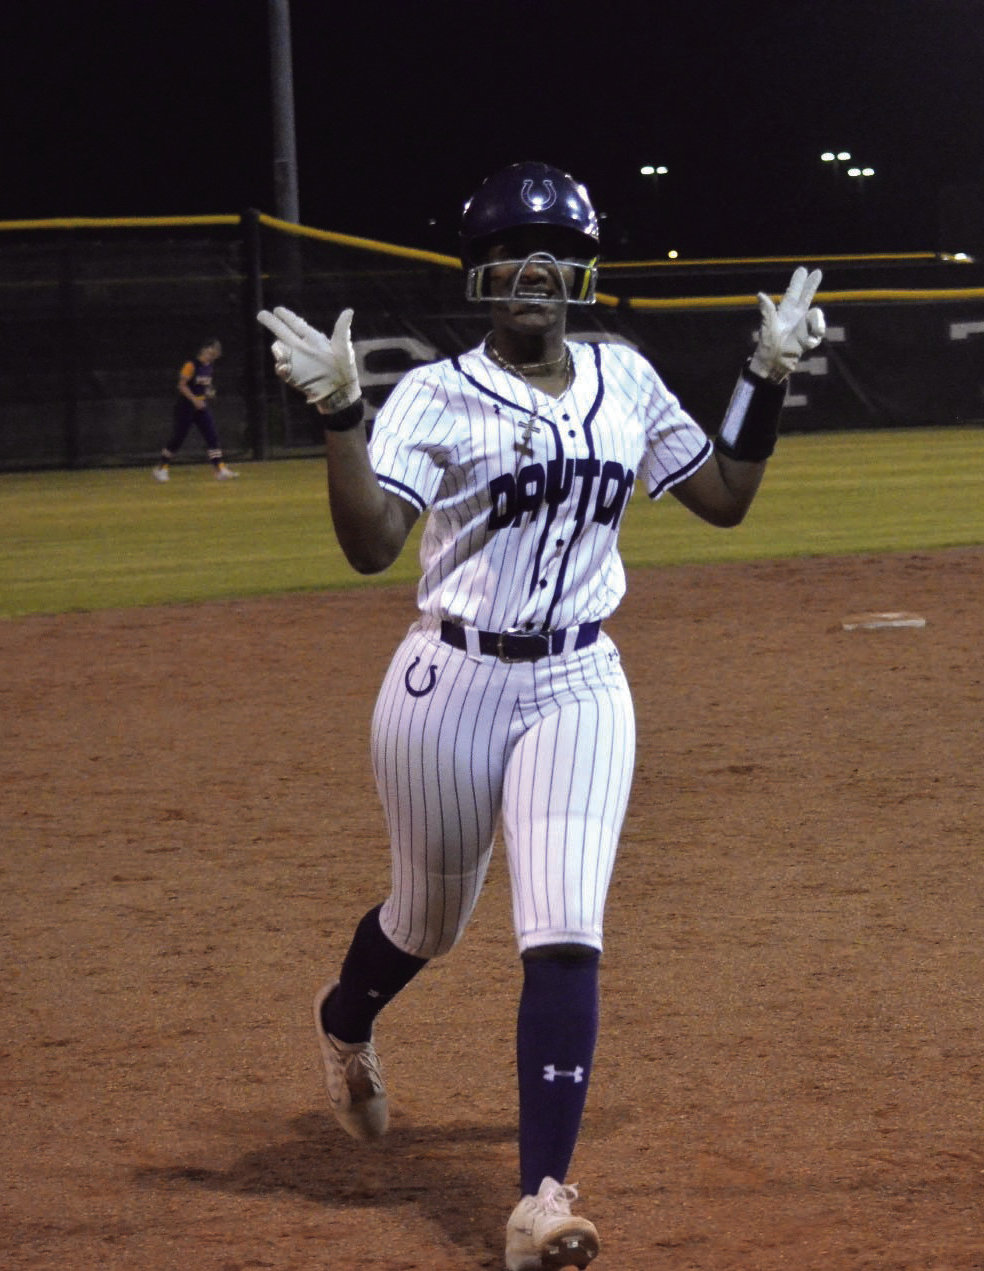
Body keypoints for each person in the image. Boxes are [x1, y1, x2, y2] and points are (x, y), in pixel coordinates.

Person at [256, 160, 824, 1271]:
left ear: (582, 273)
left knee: (564, 926)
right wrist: (341, 415)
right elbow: (371, 546)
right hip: (449, 681)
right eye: (512, 253)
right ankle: (345, 1016)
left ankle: (540, 1198)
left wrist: (766, 375)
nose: (535, 272)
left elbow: (725, 498)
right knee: (429, 921)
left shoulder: (626, 378)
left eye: (555, 254)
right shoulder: (435, 393)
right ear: (480, 272)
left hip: (580, 683)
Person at [153, 337, 236, 481]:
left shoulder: (209, 365)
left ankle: (219, 469)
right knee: (178, 438)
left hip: (201, 406)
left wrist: (209, 391)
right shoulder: (191, 365)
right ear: (204, 349)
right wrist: (194, 399)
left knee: (212, 435)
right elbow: (181, 385)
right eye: (211, 352)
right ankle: (161, 468)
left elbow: (205, 385)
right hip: (186, 406)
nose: (213, 356)